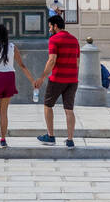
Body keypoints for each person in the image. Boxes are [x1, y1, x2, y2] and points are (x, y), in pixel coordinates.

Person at [34, 12, 81, 149]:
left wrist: (42, 77)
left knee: (48, 105)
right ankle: (70, 140)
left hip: (57, 78)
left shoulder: (54, 40)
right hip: (72, 79)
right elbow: (77, 62)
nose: (49, 30)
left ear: (55, 26)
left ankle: (50, 136)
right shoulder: (74, 40)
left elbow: (52, 60)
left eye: (50, 27)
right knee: (69, 109)